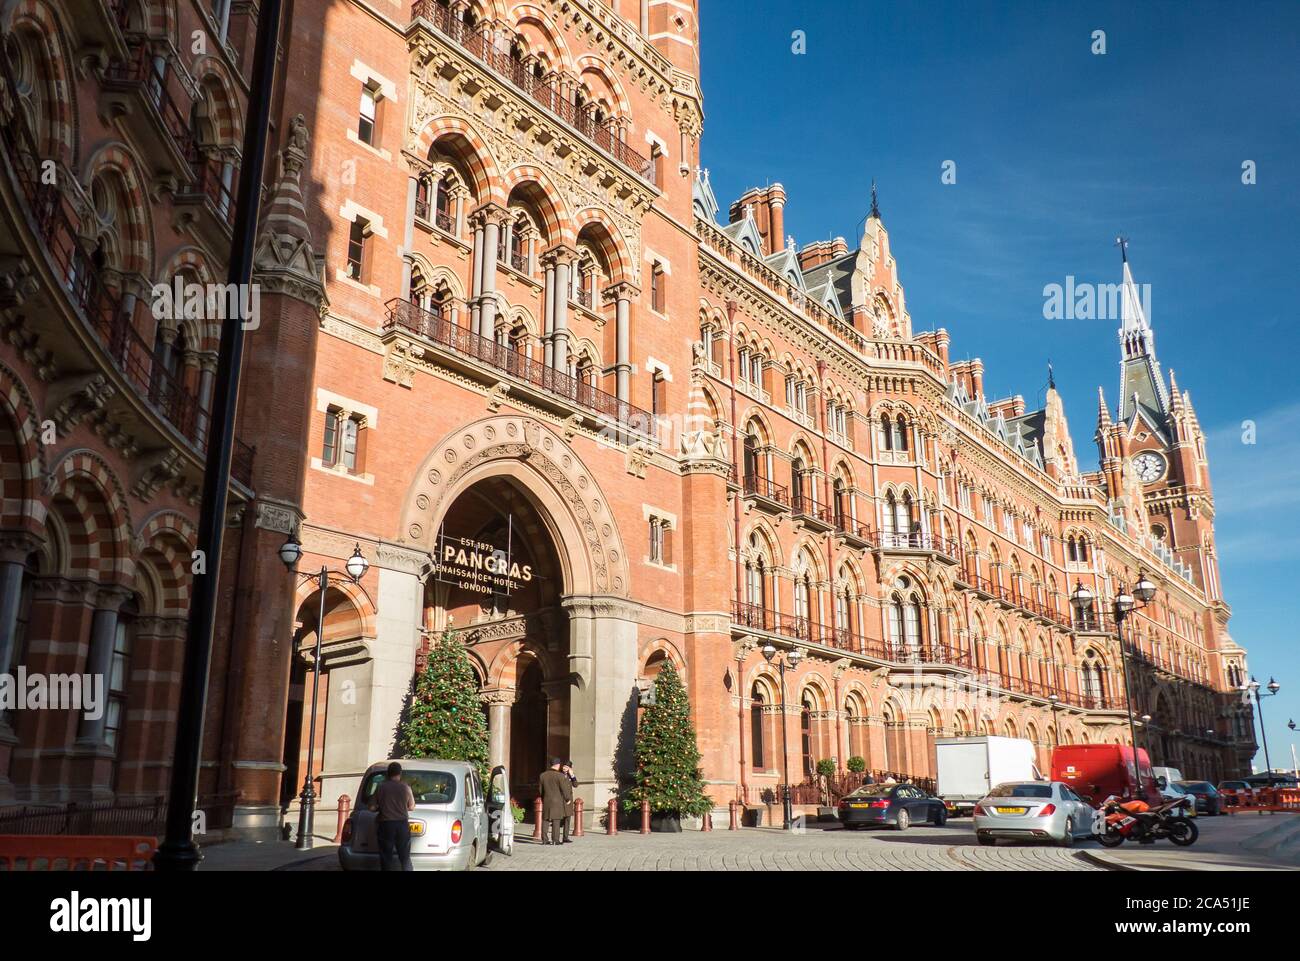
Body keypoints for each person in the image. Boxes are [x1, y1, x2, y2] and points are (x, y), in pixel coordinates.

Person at [372, 761, 415, 871]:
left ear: (388, 773)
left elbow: (371, 807)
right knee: (405, 857)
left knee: (386, 857)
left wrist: (381, 807)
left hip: (386, 825)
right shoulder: (406, 787)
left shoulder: (381, 787)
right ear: (400, 773)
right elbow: (412, 807)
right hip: (402, 825)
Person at [538, 758, 572, 846]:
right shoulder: (560, 776)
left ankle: (545, 839)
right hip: (557, 801)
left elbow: (540, 790)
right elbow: (564, 790)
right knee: (556, 820)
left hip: (546, 800)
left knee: (545, 819)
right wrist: (567, 799)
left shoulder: (543, 775)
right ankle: (555, 840)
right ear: (557, 765)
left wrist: (543, 798)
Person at [561, 761, 578, 843]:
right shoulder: (559, 775)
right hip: (560, 799)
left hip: (569, 800)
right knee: (558, 819)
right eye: (564, 766)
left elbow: (575, 785)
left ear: (570, 768)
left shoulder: (570, 776)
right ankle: (555, 837)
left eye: (567, 767)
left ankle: (565, 837)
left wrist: (572, 775)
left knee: (567, 818)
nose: (564, 768)